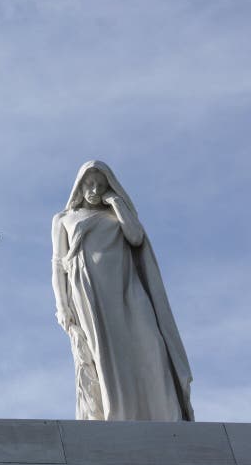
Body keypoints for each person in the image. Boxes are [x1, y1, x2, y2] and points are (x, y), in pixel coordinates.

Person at [51, 160, 193, 421]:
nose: (94, 189)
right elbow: (58, 265)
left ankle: (165, 413)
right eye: (89, 184)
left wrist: (116, 203)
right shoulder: (63, 219)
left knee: (150, 341)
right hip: (91, 291)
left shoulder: (116, 214)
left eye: (100, 184)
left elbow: (136, 237)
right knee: (106, 354)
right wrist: (62, 305)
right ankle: (117, 413)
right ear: (80, 186)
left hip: (126, 285)